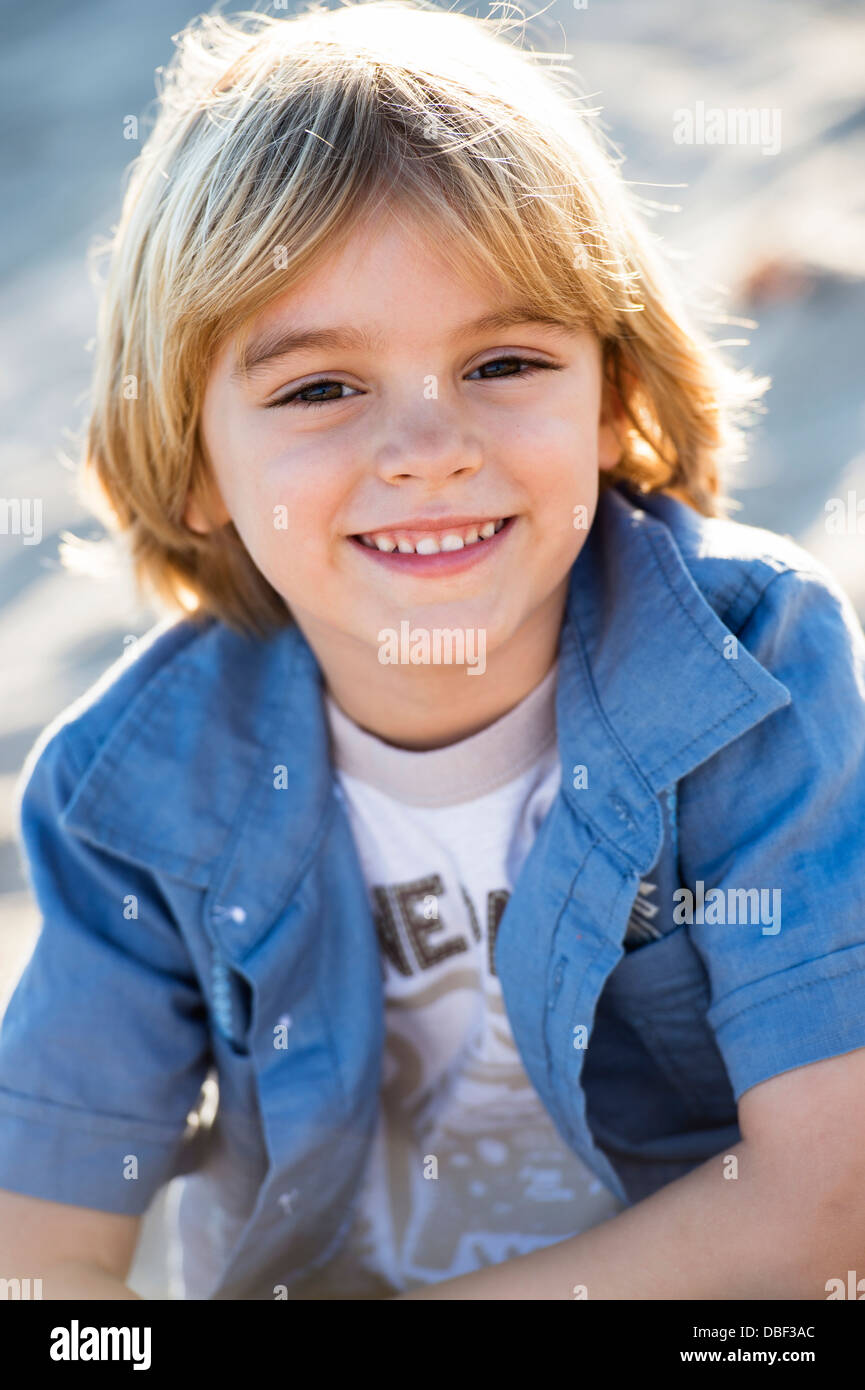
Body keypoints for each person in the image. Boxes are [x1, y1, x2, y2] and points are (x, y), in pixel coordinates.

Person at [2, 0, 865, 1301]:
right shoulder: (131, 791)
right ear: (194, 467)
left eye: (504, 360)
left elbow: (828, 1198)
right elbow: (45, 1244)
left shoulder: (749, 670)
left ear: (613, 397)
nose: (426, 448)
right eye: (319, 388)